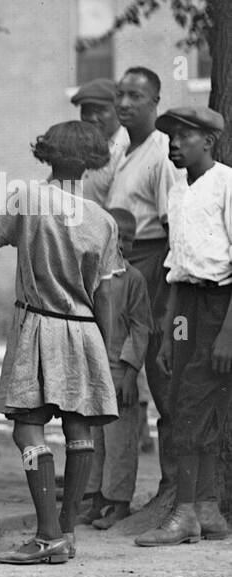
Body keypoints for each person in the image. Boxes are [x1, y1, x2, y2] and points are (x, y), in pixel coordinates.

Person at [0, 121, 124, 564]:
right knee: (77, 426)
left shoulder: (28, 197)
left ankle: (47, 536)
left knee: (27, 425)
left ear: (46, 154)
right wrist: (103, 346)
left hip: (39, 322)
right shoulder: (103, 220)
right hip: (84, 328)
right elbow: (105, 293)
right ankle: (66, 531)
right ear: (92, 161)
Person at [134, 106, 232, 547]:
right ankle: (208, 508)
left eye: (183, 137)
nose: (173, 144)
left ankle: (187, 512)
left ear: (208, 142)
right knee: (181, 399)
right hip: (185, 307)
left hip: (219, 305)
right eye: (170, 137)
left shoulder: (227, 184)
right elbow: (177, 269)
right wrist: (170, 337)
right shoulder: (177, 191)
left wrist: (227, 332)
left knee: (194, 404)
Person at [109, 66, 181, 499]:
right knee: (123, 374)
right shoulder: (122, 149)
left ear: (155, 102)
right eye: (121, 94)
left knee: (160, 373)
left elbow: (173, 232)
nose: (124, 103)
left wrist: (167, 300)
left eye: (136, 96)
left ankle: (174, 487)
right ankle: (117, 492)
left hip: (154, 265)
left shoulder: (160, 153)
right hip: (124, 267)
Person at [77, 209, 151, 531]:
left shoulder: (134, 280)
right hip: (93, 370)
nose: (126, 245)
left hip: (120, 372)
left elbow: (141, 328)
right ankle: (96, 501)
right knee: (95, 440)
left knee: (120, 442)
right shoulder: (91, 275)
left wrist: (132, 373)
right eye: (120, 237)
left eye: (132, 239)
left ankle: (120, 506)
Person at [72, 77, 129, 208]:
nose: (91, 118)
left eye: (100, 110)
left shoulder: (127, 150)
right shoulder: (79, 147)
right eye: (86, 111)